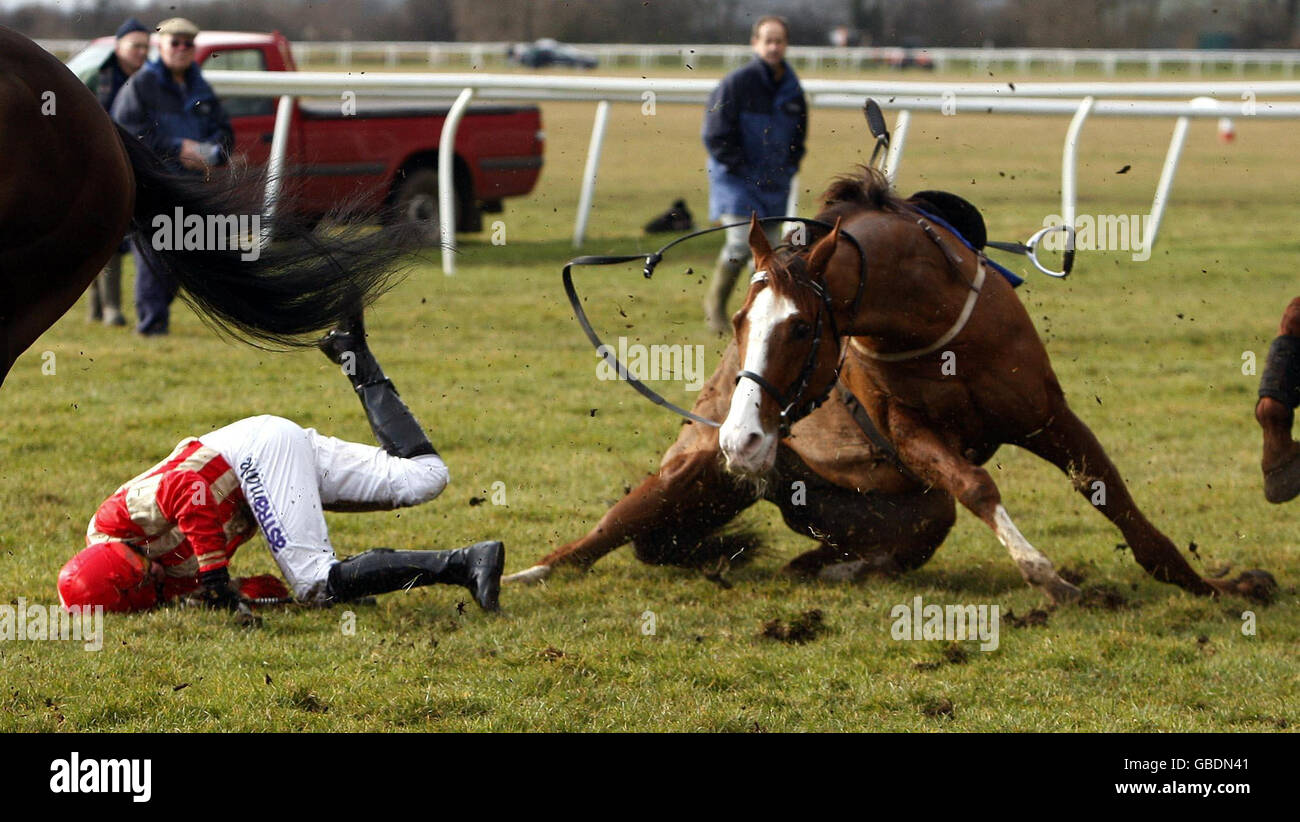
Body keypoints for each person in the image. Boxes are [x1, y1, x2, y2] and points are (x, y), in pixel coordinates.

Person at [57, 313, 505, 614]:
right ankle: (355, 355)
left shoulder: (114, 519)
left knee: (315, 582)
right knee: (425, 479)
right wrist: (250, 596)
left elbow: (186, 487)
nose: (153, 568)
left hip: (254, 456)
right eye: (144, 577)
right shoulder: (158, 589)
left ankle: (460, 566)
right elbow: (243, 589)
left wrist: (214, 574)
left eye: (141, 565)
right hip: (265, 461)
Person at [111, 17, 233, 336]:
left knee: (185, 258)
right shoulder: (141, 85)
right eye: (174, 43)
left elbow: (224, 132)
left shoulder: (200, 85)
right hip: (155, 186)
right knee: (155, 257)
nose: (181, 49)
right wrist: (177, 148)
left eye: (188, 44)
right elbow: (129, 134)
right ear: (160, 46)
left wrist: (209, 153)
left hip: (193, 186)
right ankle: (152, 326)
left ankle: (157, 317)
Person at [701, 14, 807, 334]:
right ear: (755, 43)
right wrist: (743, 171)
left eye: (779, 41)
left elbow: (798, 138)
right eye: (768, 40)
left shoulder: (792, 88)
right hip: (736, 181)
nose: (774, 46)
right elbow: (715, 134)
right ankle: (716, 307)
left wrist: (787, 169)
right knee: (739, 246)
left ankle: (757, 316)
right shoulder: (736, 83)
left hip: (775, 184)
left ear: (786, 44)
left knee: (769, 254)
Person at [88, 17, 151, 327]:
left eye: (146, 47)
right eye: (135, 46)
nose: (141, 52)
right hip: (97, 166)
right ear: (118, 46)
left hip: (133, 165)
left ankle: (99, 307)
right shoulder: (97, 77)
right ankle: (109, 307)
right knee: (106, 237)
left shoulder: (149, 80)